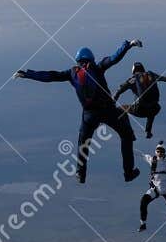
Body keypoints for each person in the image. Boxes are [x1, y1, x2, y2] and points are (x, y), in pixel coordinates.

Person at [16, 39, 143, 183]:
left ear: (78, 60)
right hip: (108, 111)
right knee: (126, 135)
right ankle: (128, 173)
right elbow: (114, 58)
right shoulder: (97, 68)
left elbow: (51, 76)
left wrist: (27, 74)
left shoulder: (72, 73)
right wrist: (128, 45)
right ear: (91, 59)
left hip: (89, 115)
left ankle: (80, 174)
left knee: (83, 143)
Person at [114, 62, 166, 139]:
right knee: (154, 106)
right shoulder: (152, 75)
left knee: (120, 108)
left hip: (139, 110)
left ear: (133, 70)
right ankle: (148, 131)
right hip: (153, 110)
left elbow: (119, 90)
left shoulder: (133, 79)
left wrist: (113, 100)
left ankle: (125, 130)